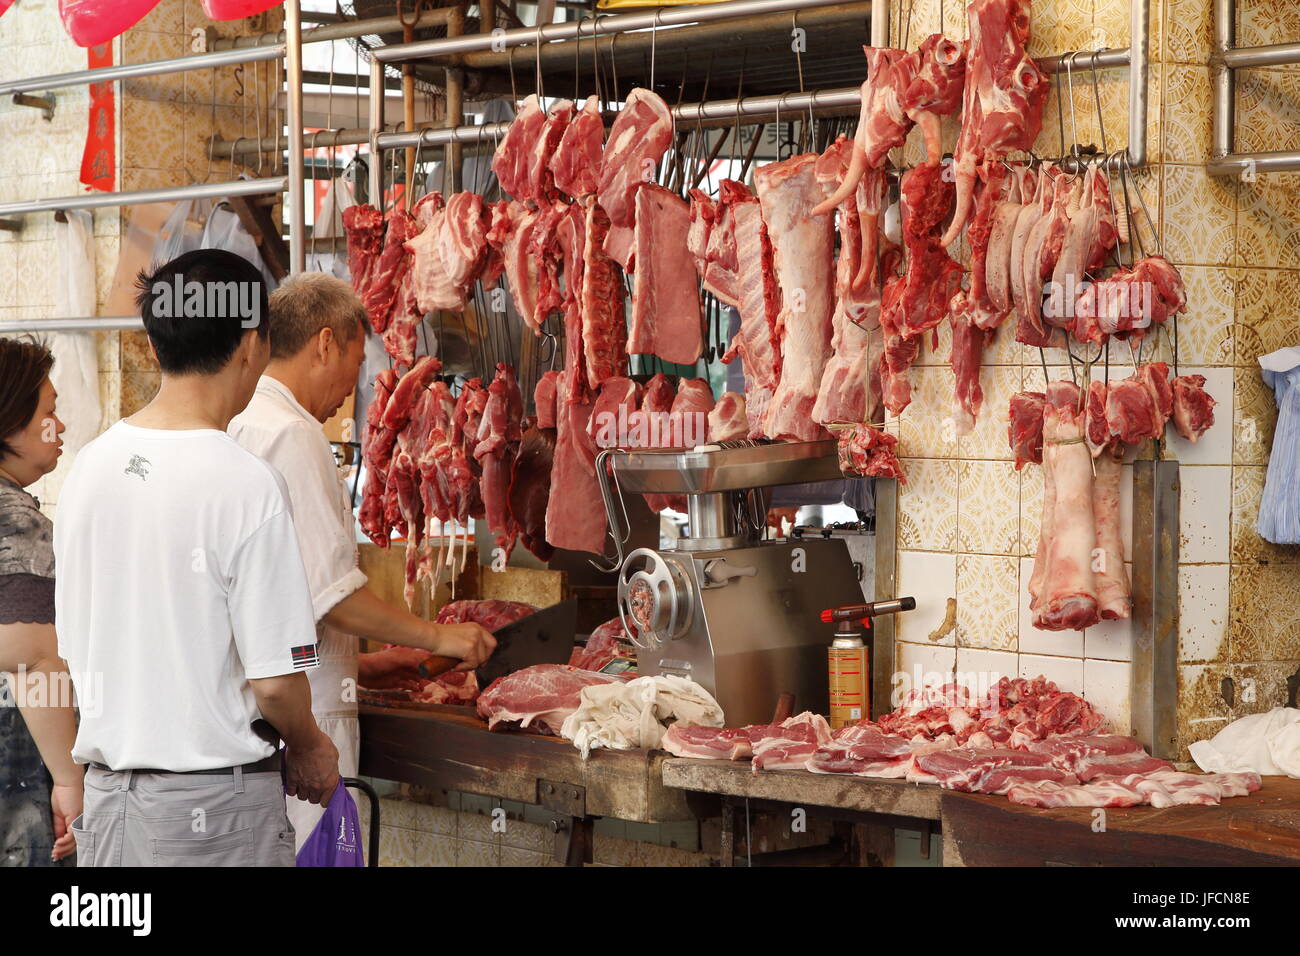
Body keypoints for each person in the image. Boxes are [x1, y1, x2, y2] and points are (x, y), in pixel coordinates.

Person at [54, 249, 339, 867]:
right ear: (251, 348)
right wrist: (313, 746)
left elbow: (74, 649)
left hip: (109, 809)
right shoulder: (247, 483)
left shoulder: (88, 469)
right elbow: (274, 682)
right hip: (214, 819)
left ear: (156, 348)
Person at [228, 272, 496, 846]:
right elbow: (335, 597)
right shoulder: (293, 434)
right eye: (354, 361)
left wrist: (363, 667)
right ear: (324, 343)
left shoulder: (242, 422)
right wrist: (439, 638)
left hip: (262, 719)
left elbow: (282, 601)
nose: (354, 387)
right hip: (306, 725)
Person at [0, 338, 81, 864]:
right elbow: (29, 656)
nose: (60, 427)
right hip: (17, 761)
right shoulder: (17, 523)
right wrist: (71, 782)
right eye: (49, 412)